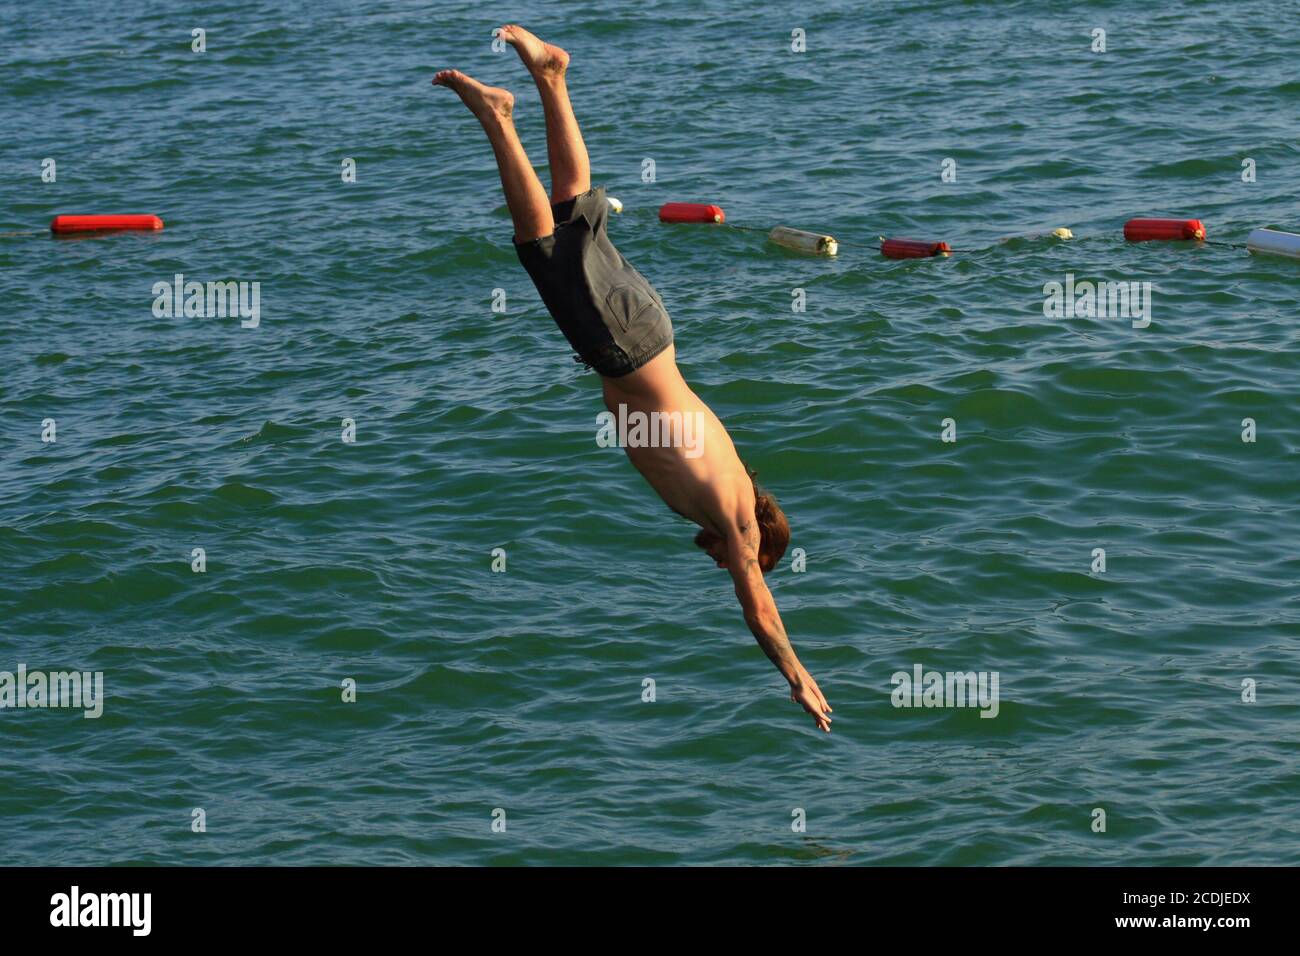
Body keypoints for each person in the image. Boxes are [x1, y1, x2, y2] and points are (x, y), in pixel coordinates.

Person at [434, 25, 832, 732]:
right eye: (744, 565)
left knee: (575, 217)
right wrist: (795, 674)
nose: (727, 567)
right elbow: (760, 609)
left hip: (646, 331)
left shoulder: (736, 487)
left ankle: (553, 77)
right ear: (759, 551)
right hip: (624, 349)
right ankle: (498, 116)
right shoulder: (737, 522)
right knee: (540, 245)